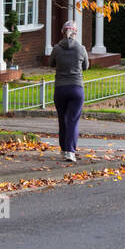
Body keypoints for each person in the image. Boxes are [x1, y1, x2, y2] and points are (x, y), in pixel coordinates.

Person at [51, 22, 89, 162]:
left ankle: (63, 150)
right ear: (75, 33)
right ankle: (70, 151)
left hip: (60, 88)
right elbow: (86, 66)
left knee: (62, 119)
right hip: (76, 88)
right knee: (72, 120)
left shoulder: (56, 49)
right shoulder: (81, 49)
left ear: (63, 32)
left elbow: (51, 63)